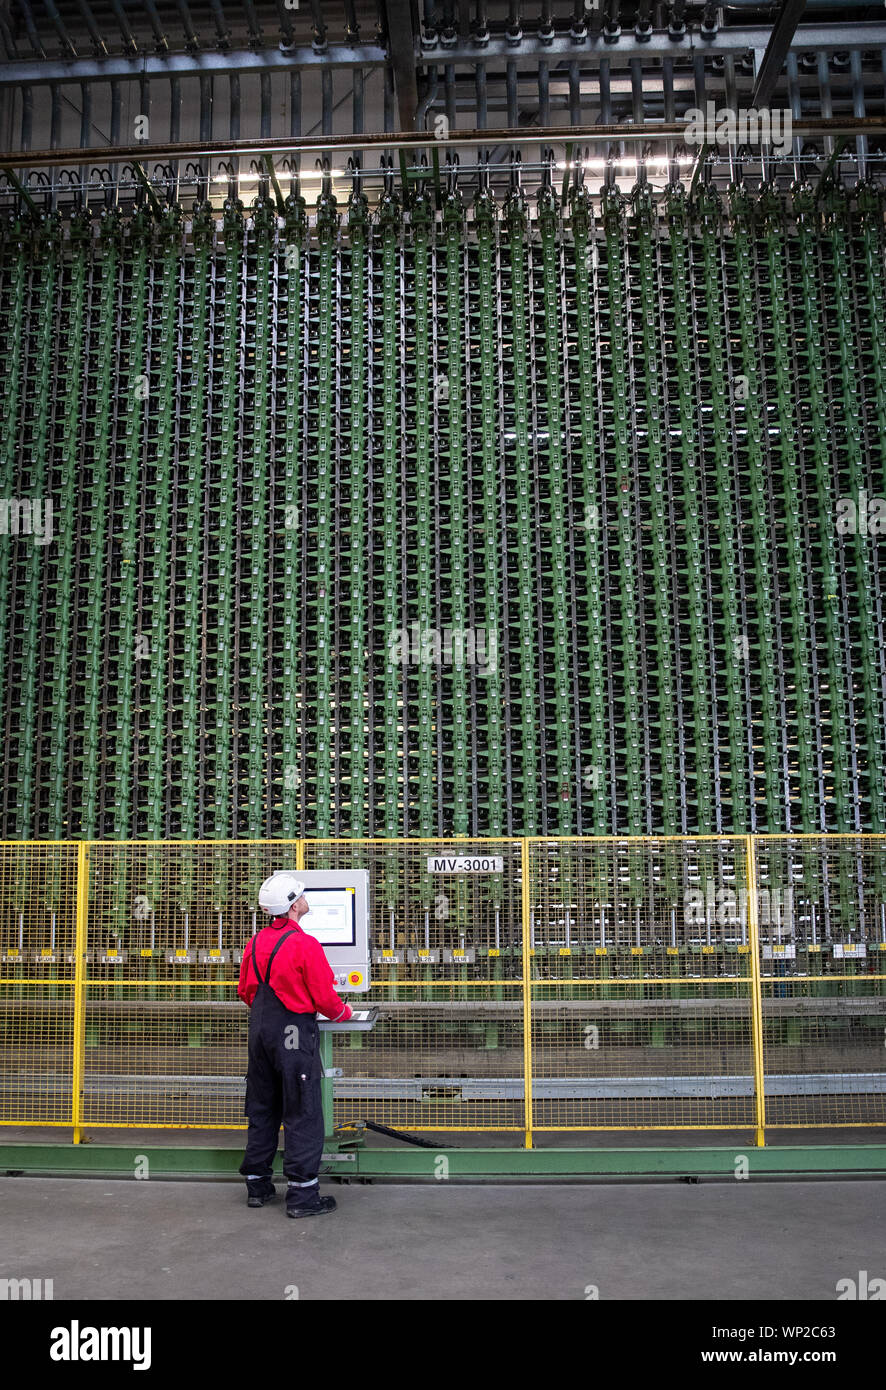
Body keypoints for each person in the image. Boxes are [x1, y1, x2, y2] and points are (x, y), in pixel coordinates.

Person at [237, 871, 353, 1218]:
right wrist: (343, 1011)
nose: (306, 898)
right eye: (301, 895)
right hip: (293, 1034)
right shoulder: (305, 945)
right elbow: (324, 998)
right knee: (302, 1112)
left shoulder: (255, 942)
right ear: (292, 906)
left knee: (262, 1108)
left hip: (260, 1032)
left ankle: (257, 1186)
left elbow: (246, 991)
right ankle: (303, 1197)